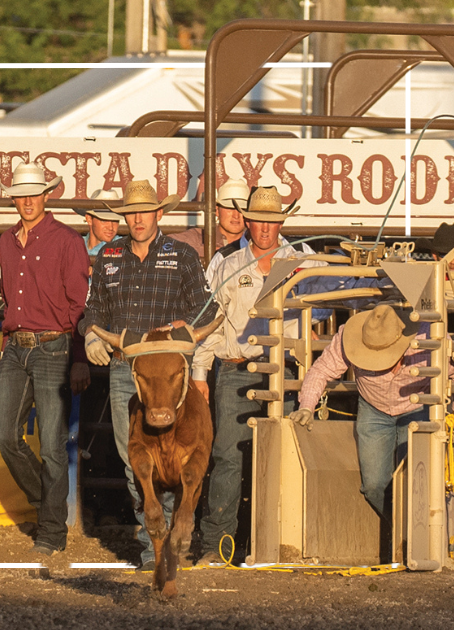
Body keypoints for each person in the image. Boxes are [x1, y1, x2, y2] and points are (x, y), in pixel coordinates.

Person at [78, 178, 217, 570]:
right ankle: (158, 545)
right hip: (130, 370)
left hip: (172, 374)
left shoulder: (182, 255)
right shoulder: (108, 257)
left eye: (145, 212)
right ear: (124, 218)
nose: (138, 219)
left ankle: (167, 543)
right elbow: (94, 310)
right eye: (130, 213)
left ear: (159, 214)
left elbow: (206, 308)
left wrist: (183, 327)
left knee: (177, 452)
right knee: (134, 460)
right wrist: (91, 334)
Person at [190, 186, 326, 566]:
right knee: (229, 457)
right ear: (247, 221)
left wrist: (308, 325)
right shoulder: (225, 260)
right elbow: (210, 318)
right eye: (258, 220)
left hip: (285, 368)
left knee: (279, 456)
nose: (265, 227)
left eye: (271, 220)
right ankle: (217, 547)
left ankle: (276, 543)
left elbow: (329, 295)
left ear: (281, 222)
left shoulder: (304, 258)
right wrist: (200, 372)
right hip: (236, 368)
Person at [0, 163, 90, 556]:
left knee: (50, 443)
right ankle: (47, 505)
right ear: (13, 198)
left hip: (54, 345)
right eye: (21, 194)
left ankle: (51, 531)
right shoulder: (7, 241)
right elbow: (9, 295)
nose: (28, 200)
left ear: (48, 195)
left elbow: (79, 304)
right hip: (17, 345)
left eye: (34, 193)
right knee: (4, 434)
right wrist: (7, 338)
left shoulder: (66, 241)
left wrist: (78, 356)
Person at [289, 305, 454, 517]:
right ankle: (400, 533)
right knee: (374, 486)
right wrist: (306, 406)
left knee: (417, 479)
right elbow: (321, 370)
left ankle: (411, 538)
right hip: (373, 408)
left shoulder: (429, 335)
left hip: (419, 406)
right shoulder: (349, 336)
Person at [167, 178, 251, 260]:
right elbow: (163, 244)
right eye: (230, 208)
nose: (236, 215)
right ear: (217, 210)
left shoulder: (256, 241)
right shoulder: (197, 238)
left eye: (241, 209)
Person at [82, 189, 122, 256]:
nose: (111, 227)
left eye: (115, 221)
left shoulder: (125, 247)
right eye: (104, 220)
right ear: (89, 219)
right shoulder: (75, 244)